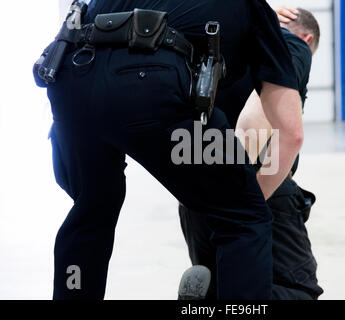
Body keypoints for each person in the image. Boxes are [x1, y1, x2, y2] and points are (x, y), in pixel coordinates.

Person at [44, 0, 304, 300]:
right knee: (244, 220)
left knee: (91, 210)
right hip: (151, 81)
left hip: (69, 77)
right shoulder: (255, 11)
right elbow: (291, 133)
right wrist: (249, 199)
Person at [179, 6, 324, 300]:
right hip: (256, 183)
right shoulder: (291, 44)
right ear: (308, 39)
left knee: (224, 280)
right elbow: (257, 116)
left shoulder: (227, 44)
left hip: (196, 188)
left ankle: (207, 297)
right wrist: (244, 200)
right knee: (297, 290)